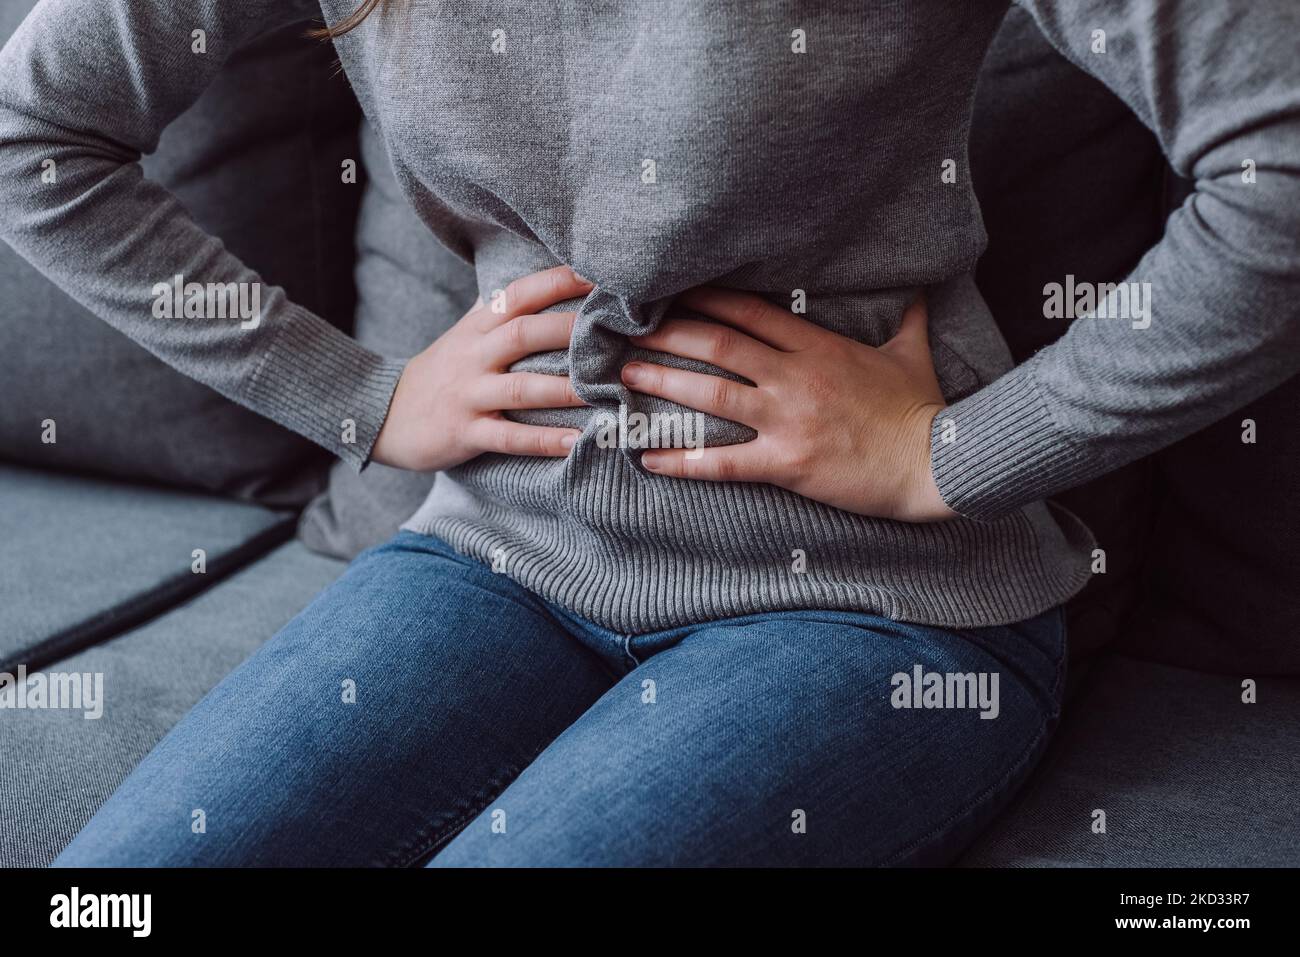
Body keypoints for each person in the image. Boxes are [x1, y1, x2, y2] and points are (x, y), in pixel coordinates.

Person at [0, 0, 1294, 865]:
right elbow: (36, 136)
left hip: (872, 603)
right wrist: (359, 396)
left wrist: (961, 453)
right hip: (498, 554)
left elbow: (1278, 165)